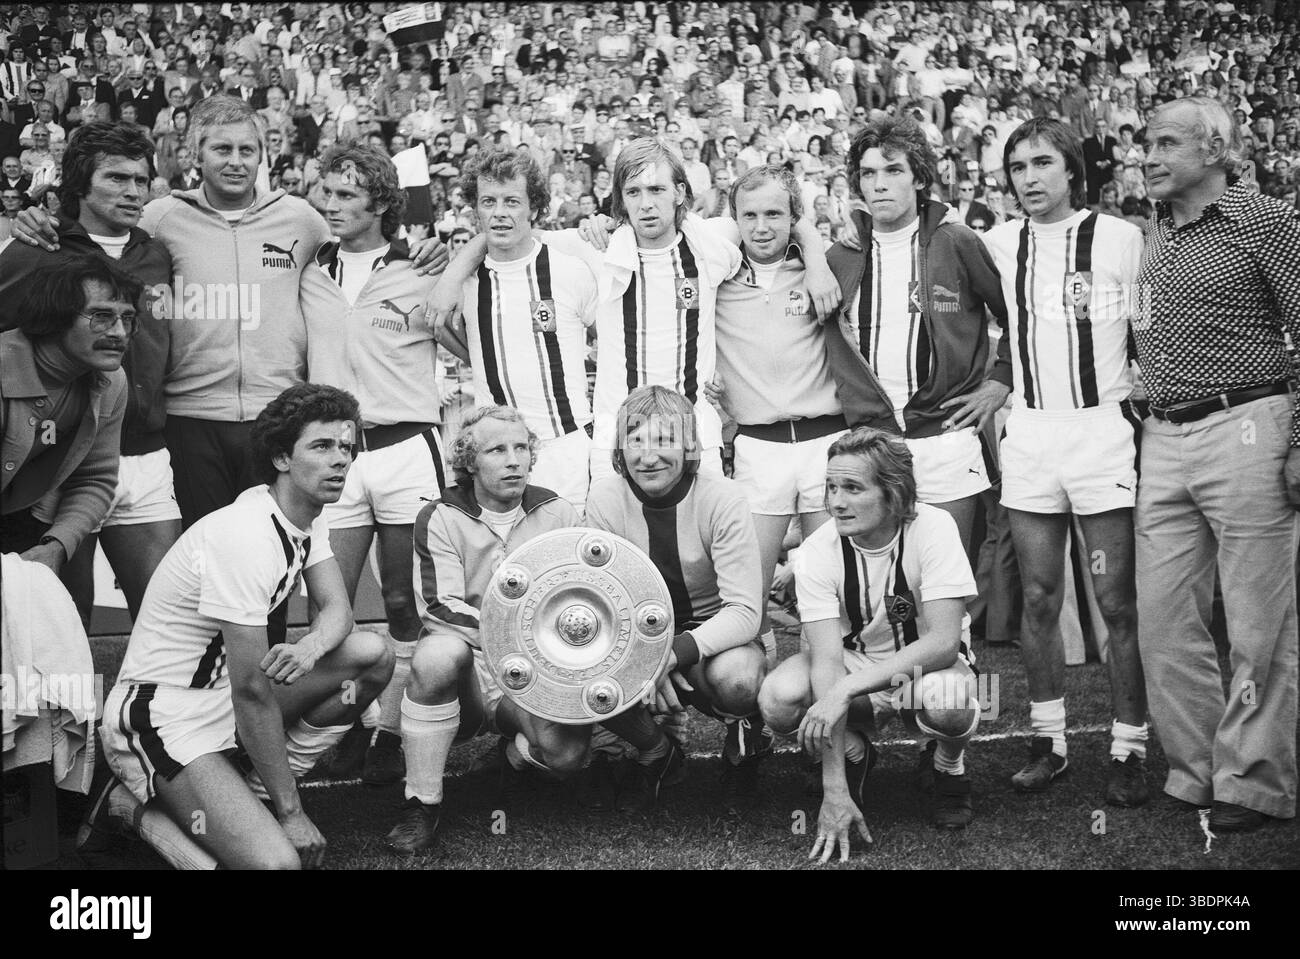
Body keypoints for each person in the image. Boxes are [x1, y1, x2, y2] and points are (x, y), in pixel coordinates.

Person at [95, 383, 394, 869]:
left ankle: (255, 789)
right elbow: (251, 691)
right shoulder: (245, 534)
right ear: (281, 457)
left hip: (222, 703)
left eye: (346, 446)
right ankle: (129, 810)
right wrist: (292, 814)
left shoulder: (302, 511)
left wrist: (311, 647)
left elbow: (339, 610)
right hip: (164, 714)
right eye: (322, 446)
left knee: (370, 654)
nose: (340, 459)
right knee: (275, 865)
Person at [385, 405, 686, 853]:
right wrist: (514, 636)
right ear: (469, 461)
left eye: (521, 447)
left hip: (544, 668)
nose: (513, 460)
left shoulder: (557, 510)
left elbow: (590, 589)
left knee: (566, 757)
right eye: (497, 450)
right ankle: (421, 803)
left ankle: (513, 758)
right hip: (478, 667)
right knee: (435, 655)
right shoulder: (441, 515)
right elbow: (438, 606)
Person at [1133, 96, 1300, 832]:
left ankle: (1253, 781)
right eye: (1146, 143)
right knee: (1164, 617)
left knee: (1260, 621)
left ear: (1216, 148)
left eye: (1166, 142)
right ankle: (1199, 766)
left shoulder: (1265, 220)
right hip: (1163, 435)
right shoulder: (1155, 233)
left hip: (1248, 423)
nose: (1149, 154)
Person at [981, 117, 1149, 806]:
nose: (1029, 177)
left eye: (1042, 162)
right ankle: (1048, 740)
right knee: (1040, 595)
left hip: (1100, 432)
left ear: (1072, 169)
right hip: (1031, 434)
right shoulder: (996, 241)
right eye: (1018, 166)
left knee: (1116, 601)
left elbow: (1144, 327)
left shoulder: (1119, 236)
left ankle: (1129, 744)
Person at [299, 145, 448, 786]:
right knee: (328, 600)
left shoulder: (422, 267)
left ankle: (393, 728)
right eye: (325, 193)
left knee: (403, 598)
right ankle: (345, 724)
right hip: (335, 449)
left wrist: (447, 263)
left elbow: (465, 337)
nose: (330, 206)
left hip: (408, 445)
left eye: (346, 196)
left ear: (382, 204)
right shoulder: (308, 267)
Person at [758, 428, 981, 857]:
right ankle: (855, 754)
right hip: (852, 661)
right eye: (831, 487)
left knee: (950, 699)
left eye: (853, 488)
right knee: (778, 699)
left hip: (922, 667)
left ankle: (947, 767)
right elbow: (825, 661)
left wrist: (844, 690)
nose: (836, 502)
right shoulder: (818, 549)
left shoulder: (934, 528)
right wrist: (833, 788)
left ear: (892, 493)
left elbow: (942, 642)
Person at [0, 121, 179, 626]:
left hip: (146, 455)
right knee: (64, 618)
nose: (133, 192)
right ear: (80, 182)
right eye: (117, 179)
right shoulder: (38, 250)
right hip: (59, 461)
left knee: (165, 617)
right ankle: (74, 708)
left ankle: (146, 708)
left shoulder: (156, 252)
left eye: (141, 181)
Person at [823, 116, 1011, 555]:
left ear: (919, 177)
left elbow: (1016, 317)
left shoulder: (958, 242)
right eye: (868, 174)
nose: (879, 184)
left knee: (949, 578)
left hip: (946, 436)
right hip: (873, 444)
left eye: (893, 171)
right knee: (882, 582)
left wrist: (1001, 382)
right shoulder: (839, 256)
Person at [586, 386, 767, 799]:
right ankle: (657, 749)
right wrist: (645, 656)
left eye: (664, 440)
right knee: (579, 663)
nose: (648, 457)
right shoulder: (604, 497)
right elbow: (603, 603)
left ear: (688, 444)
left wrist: (671, 655)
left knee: (738, 680)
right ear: (620, 446)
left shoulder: (722, 498)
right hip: (636, 635)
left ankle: (746, 739)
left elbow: (743, 611)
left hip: (710, 637)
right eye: (636, 440)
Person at [708, 164, 847, 669]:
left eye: (774, 214)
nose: (761, 226)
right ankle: (754, 712)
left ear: (794, 217)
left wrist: (814, 252)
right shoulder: (714, 273)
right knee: (750, 587)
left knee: (825, 581)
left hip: (826, 439)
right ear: (734, 220)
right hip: (758, 447)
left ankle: (824, 702)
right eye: (749, 215)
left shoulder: (822, 267)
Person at [423, 148, 599, 510]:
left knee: (565, 562)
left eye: (512, 201)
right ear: (475, 209)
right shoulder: (464, 282)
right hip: (493, 452)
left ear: (534, 208)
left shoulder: (570, 271)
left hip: (563, 447)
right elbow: (455, 339)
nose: (500, 213)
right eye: (488, 201)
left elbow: (612, 343)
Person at [0, 256, 133, 574]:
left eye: (126, 319)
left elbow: (94, 478)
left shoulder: (111, 381)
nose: (119, 332)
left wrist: (57, 546)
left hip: (21, 518)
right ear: (55, 317)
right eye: (101, 317)